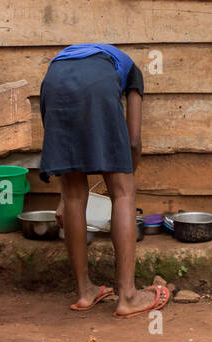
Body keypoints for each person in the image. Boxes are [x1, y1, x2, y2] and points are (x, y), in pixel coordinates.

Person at [38, 43, 169, 318]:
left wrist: (63, 198)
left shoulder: (67, 61)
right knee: (122, 194)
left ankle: (85, 291)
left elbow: (64, 146)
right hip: (88, 86)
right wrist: (126, 174)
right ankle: (129, 296)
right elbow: (133, 140)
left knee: (74, 194)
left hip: (52, 83)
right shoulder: (132, 70)